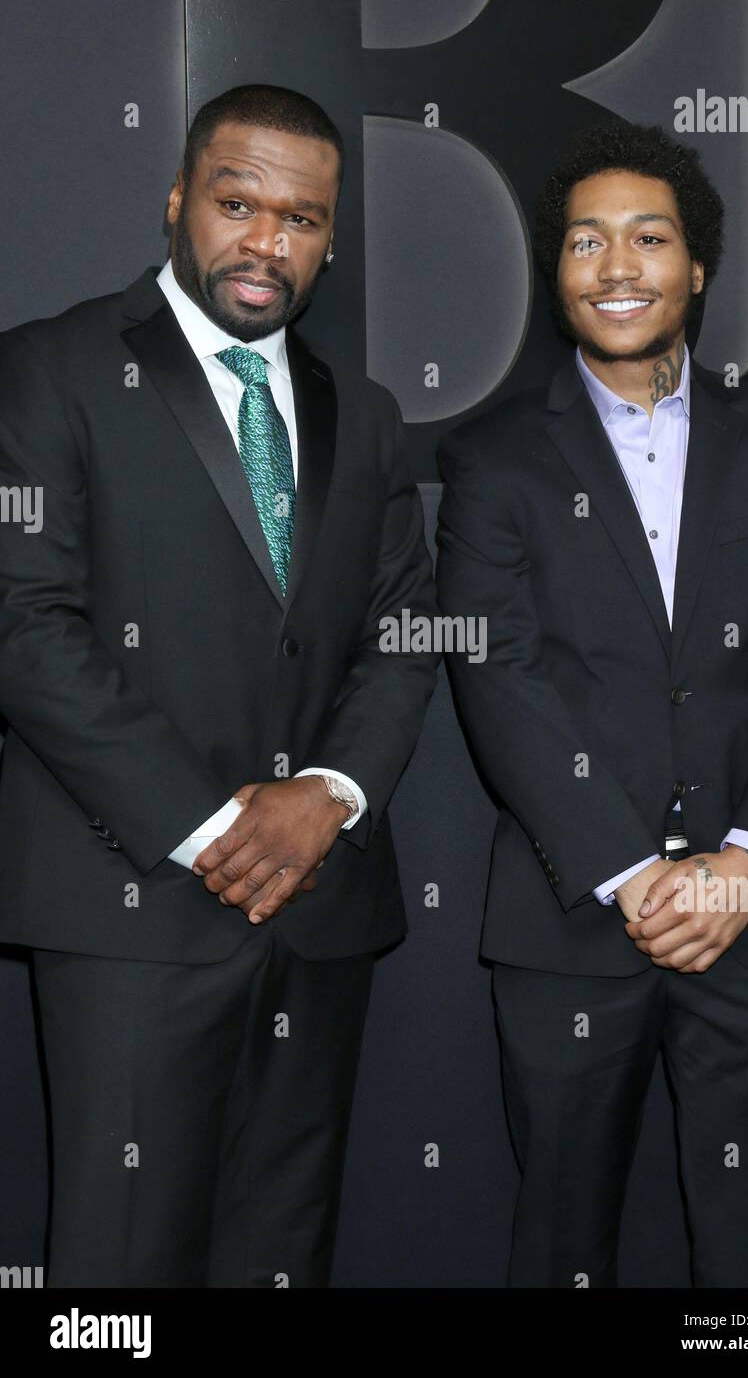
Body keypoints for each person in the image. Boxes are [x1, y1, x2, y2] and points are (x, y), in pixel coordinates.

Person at [0, 83, 437, 1287]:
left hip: (320, 910)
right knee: (120, 1272)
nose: (265, 241)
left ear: (331, 238)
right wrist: (211, 830)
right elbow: (23, 625)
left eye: (300, 218)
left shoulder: (370, 412)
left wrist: (329, 795)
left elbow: (402, 628)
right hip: (130, 902)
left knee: (280, 1251)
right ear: (178, 198)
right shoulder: (49, 368)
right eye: (237, 202)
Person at [436, 120, 748, 1288]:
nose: (614, 266)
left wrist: (745, 863)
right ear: (555, 269)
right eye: (584, 240)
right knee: (561, 1242)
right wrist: (631, 873)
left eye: (647, 236)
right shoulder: (495, 459)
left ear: (697, 267)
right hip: (571, 921)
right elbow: (496, 673)